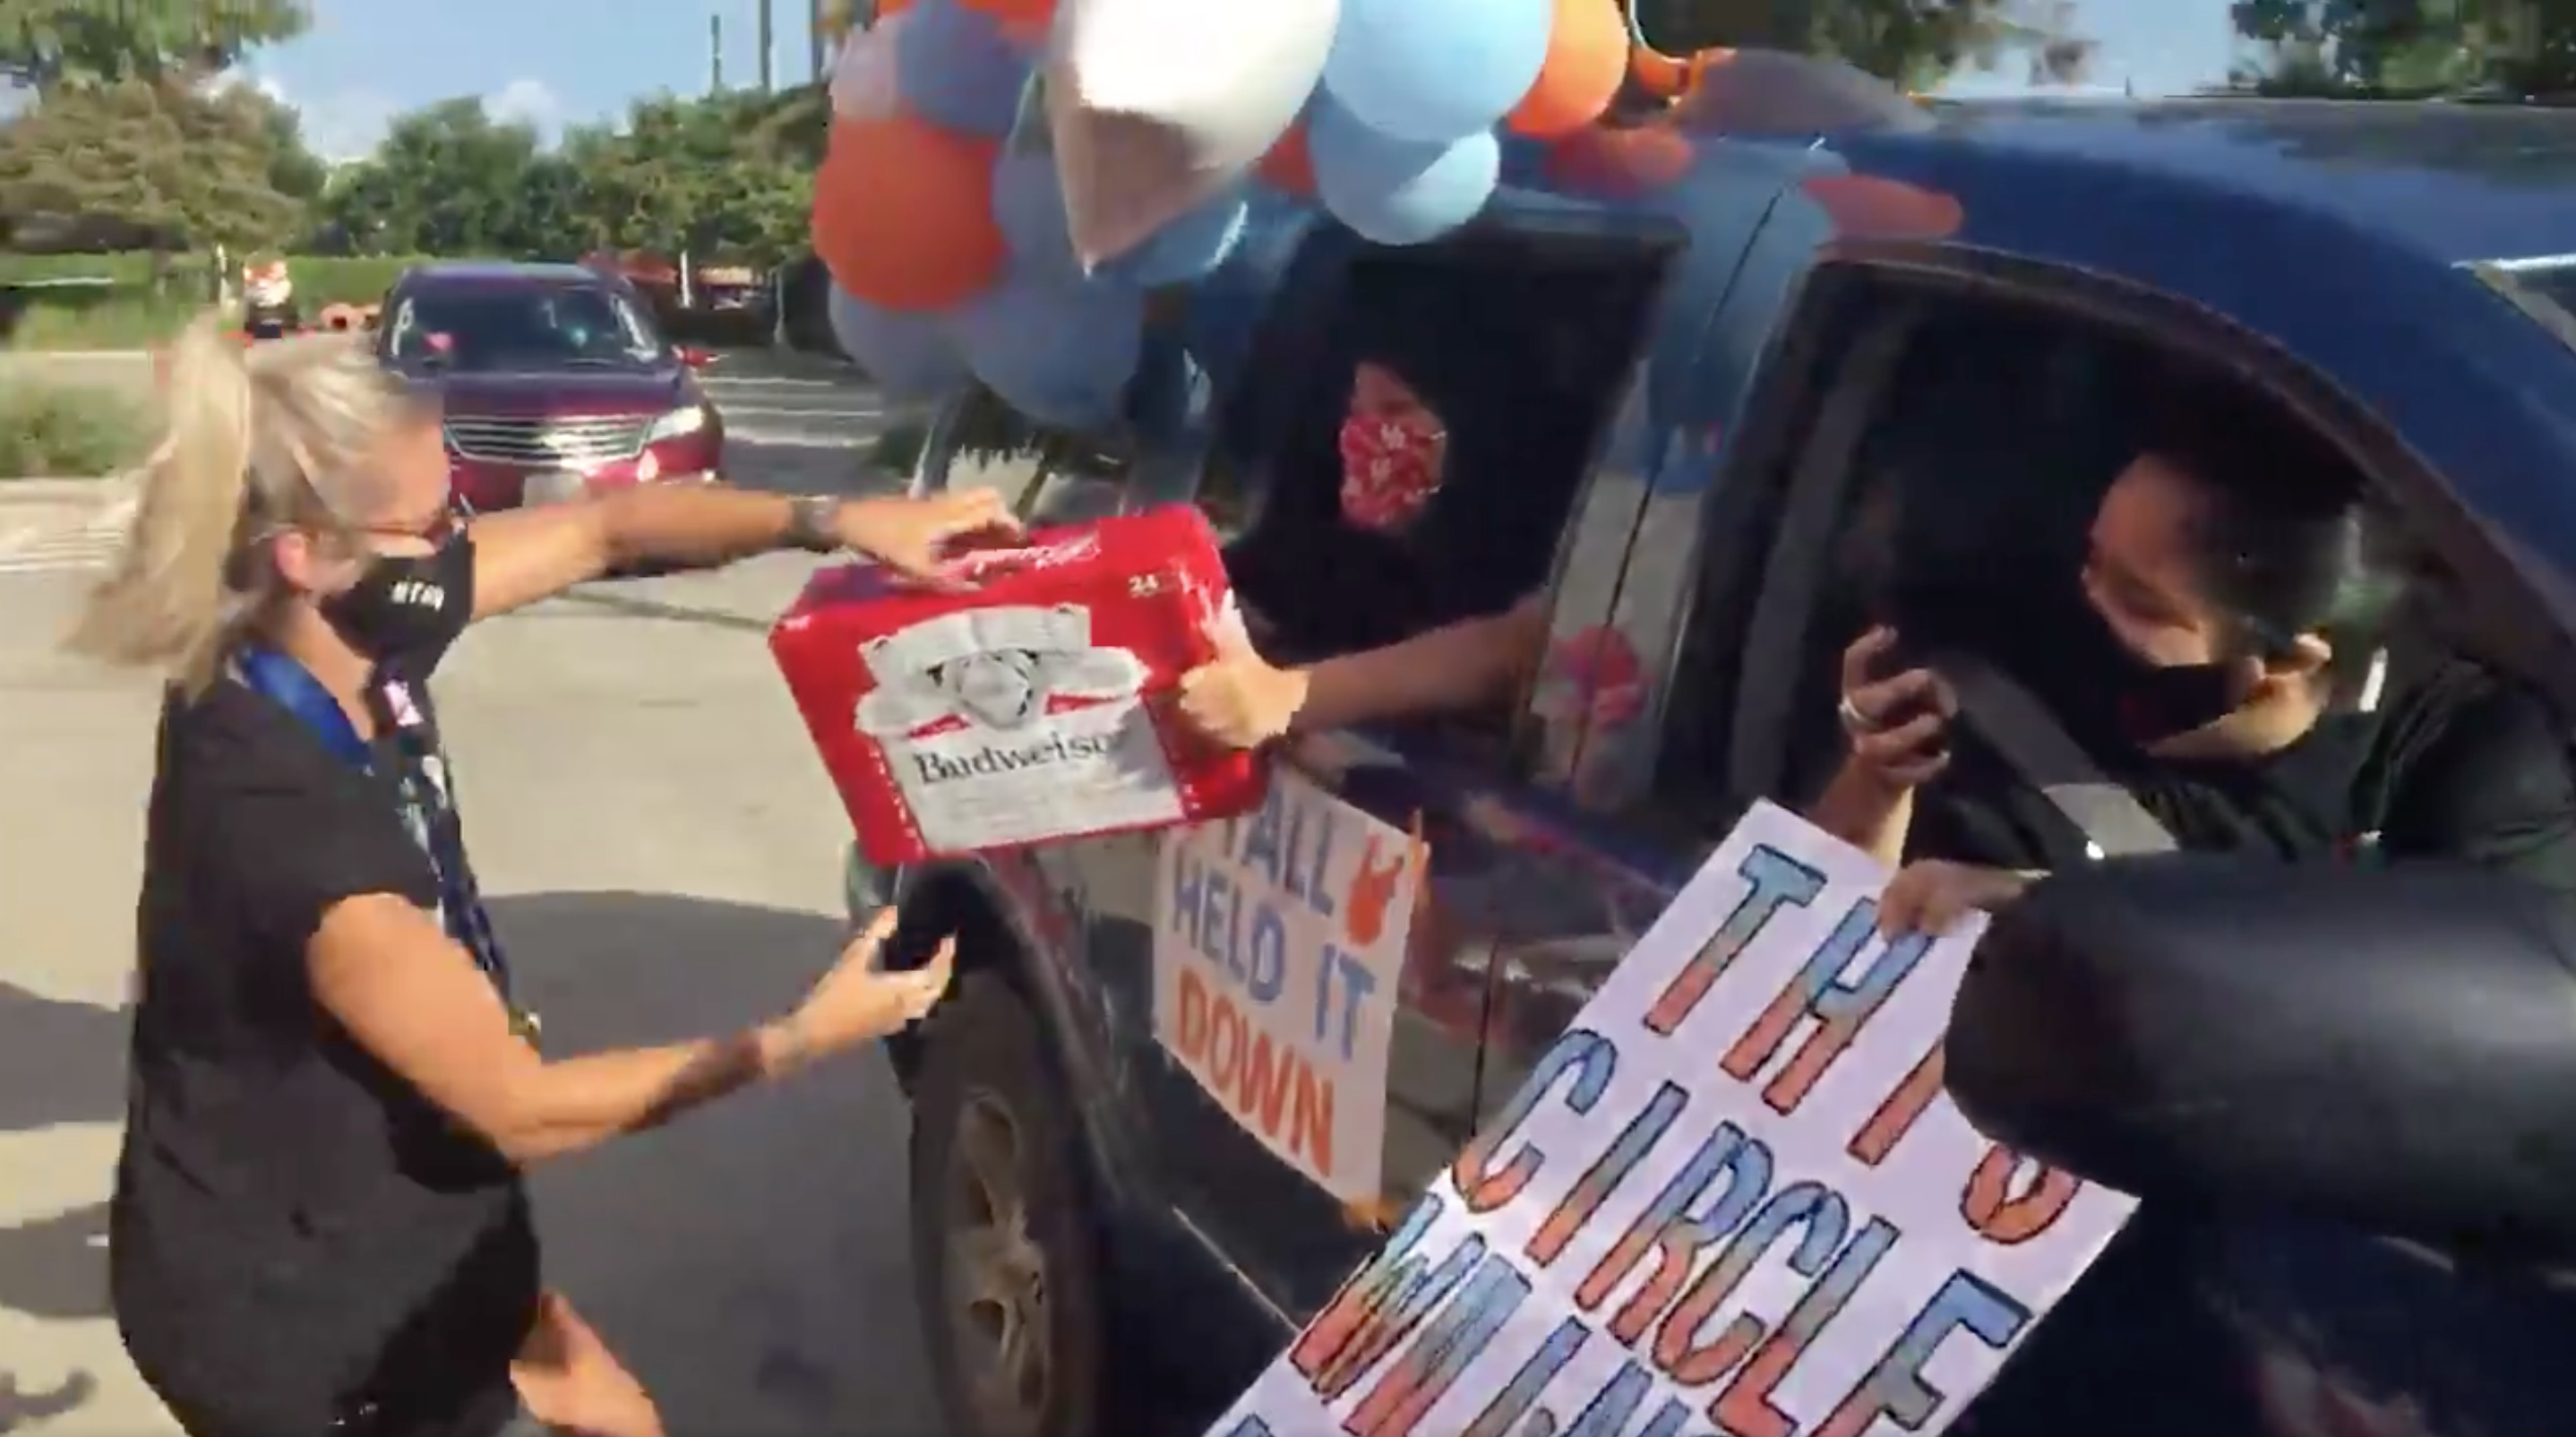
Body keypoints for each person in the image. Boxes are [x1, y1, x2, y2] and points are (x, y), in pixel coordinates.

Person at [70, 313, 1018, 1437]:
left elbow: (605, 527)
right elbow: (518, 1106)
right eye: (432, 522)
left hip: (413, 1216)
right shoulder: (293, 832)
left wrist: (840, 517)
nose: (459, 542)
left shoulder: (331, 632)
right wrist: (800, 1036)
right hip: (313, 1328)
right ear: (306, 552)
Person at [1809, 392, 2576, 934]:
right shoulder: (1989, 681)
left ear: (2291, 657)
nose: (2087, 601)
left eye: (2141, 604)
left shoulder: (2466, 755)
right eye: (2091, 560)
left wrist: (2062, 915)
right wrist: (1878, 778)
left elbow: (2482, 1013)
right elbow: (1810, 941)